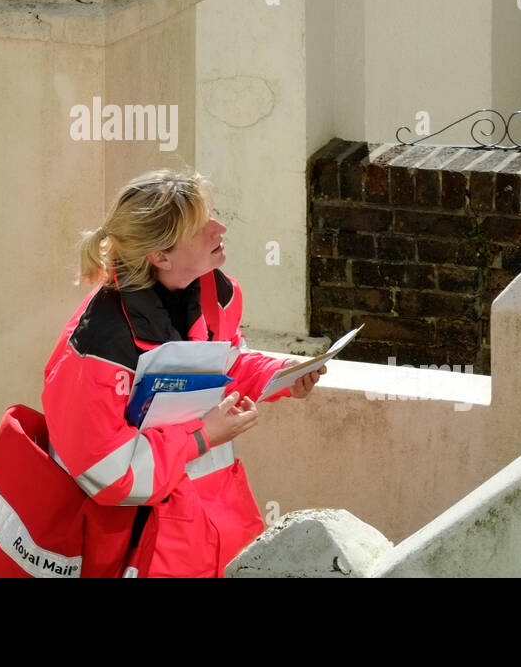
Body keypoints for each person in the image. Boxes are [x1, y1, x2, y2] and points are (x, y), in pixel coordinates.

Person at [41, 168, 325, 578]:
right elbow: (107, 474)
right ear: (160, 256)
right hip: (146, 551)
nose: (220, 228)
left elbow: (225, 367)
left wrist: (280, 374)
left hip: (222, 529)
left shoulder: (218, 293)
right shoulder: (99, 344)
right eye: (200, 227)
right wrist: (202, 436)